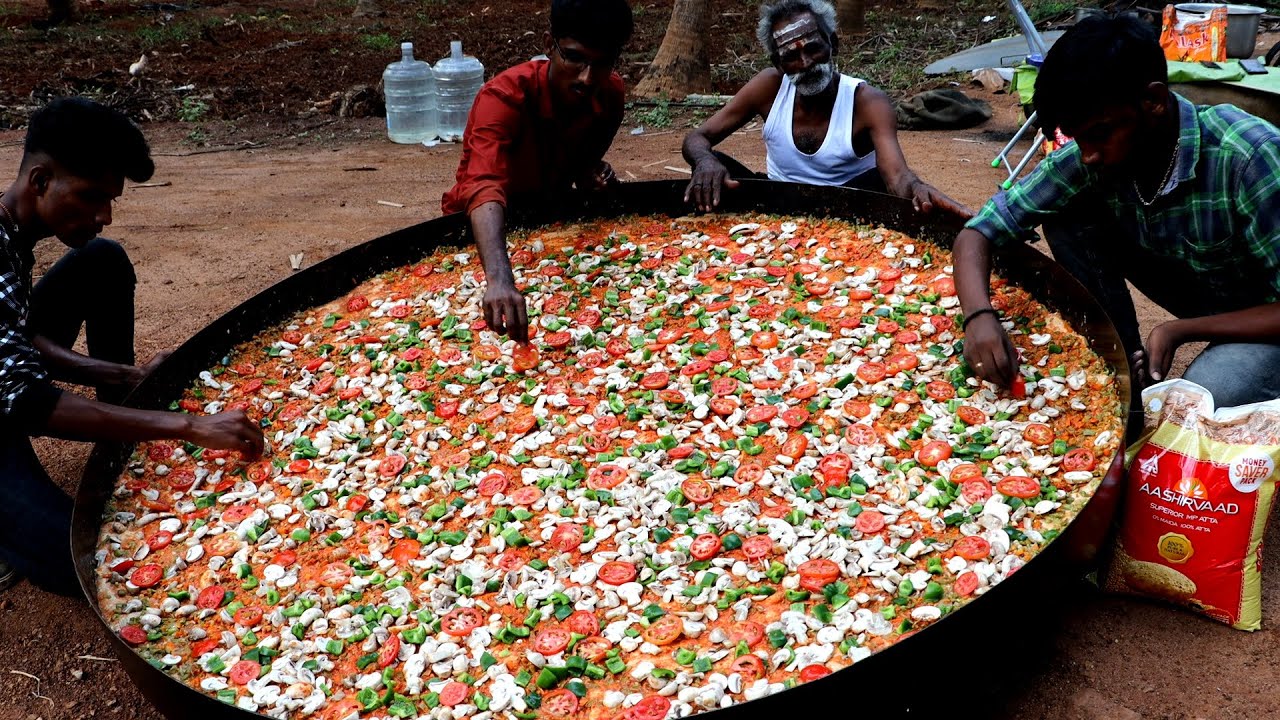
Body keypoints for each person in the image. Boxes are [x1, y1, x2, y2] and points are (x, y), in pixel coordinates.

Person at [954, 13, 1280, 425]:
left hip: (1268, 318)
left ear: (1154, 102)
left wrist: (1179, 330)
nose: (1088, 154)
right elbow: (977, 233)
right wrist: (978, 317)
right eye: (1078, 137)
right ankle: (1122, 372)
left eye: (1100, 133)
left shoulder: (1250, 157)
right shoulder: (1096, 153)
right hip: (1207, 291)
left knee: (1205, 395)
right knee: (1068, 217)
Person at [0, 97, 263, 595]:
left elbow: (19, 333)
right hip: (7, 403)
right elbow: (26, 401)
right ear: (40, 182)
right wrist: (188, 426)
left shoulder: (11, 228)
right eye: (92, 196)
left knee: (101, 259)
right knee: (83, 565)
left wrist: (124, 376)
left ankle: (119, 423)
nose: (105, 214)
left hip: (5, 378)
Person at [441, 0, 634, 343]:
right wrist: (499, 280)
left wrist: (591, 175)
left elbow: (581, 165)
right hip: (483, 239)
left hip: (553, 234)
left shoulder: (610, 94)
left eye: (602, 63)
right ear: (549, 46)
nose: (588, 77)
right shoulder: (501, 97)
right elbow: (483, 185)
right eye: (574, 58)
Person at [682, 0, 968, 217]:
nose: (806, 63)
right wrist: (705, 162)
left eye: (814, 48)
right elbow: (696, 138)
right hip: (777, 202)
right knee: (713, 165)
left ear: (833, 44)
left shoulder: (867, 101)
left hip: (850, 205)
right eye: (791, 56)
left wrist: (916, 187)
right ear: (778, 64)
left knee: (885, 187)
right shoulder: (768, 86)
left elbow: (896, 177)